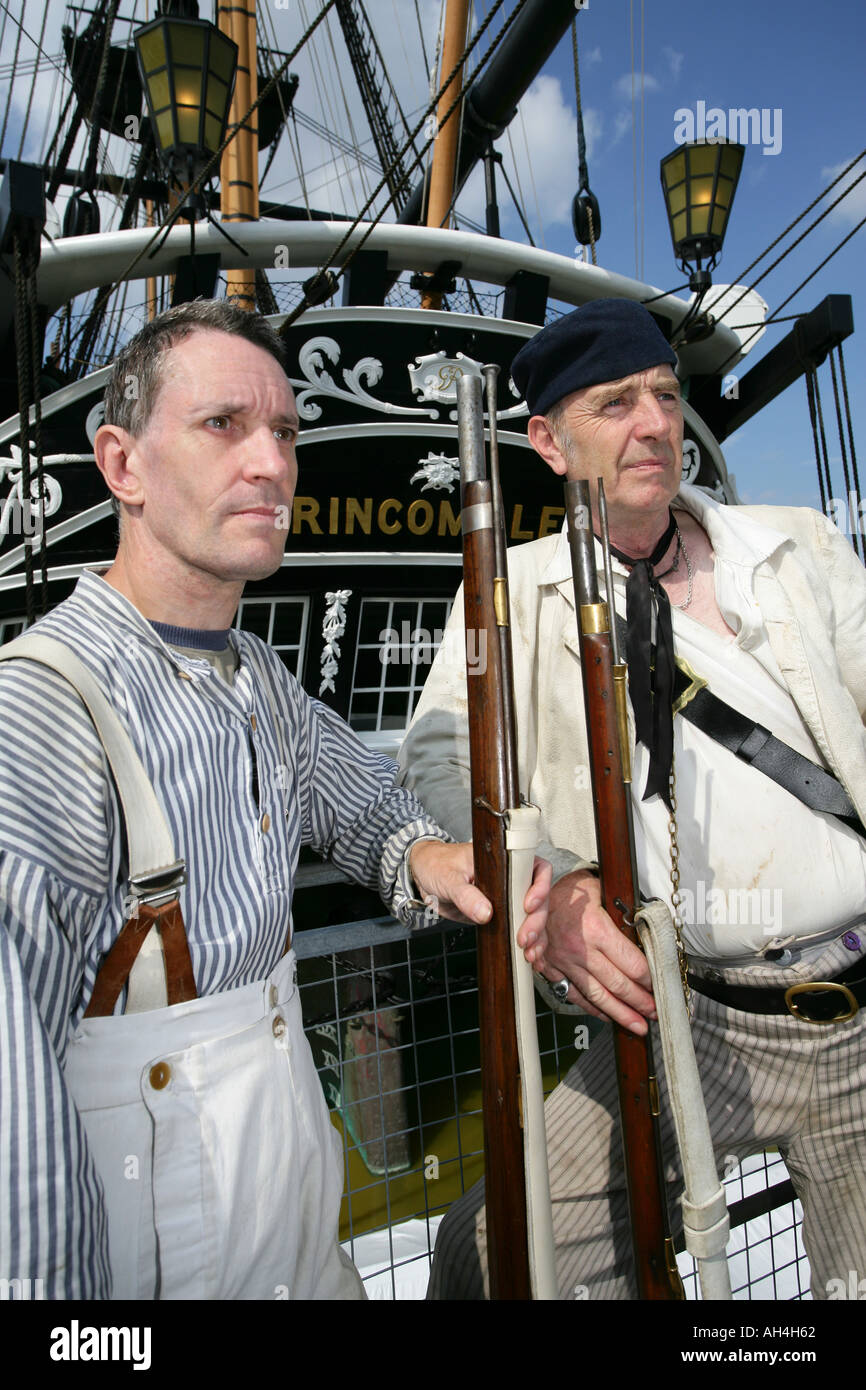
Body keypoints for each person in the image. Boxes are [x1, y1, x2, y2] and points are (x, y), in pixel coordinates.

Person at [0, 299, 551, 1301]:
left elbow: (360, 807)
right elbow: (14, 1132)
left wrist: (430, 859)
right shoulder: (40, 715)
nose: (271, 463)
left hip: (298, 1233)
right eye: (223, 425)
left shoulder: (260, 680)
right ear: (120, 465)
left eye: (286, 431)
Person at [398, 297, 866, 1300]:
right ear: (546, 441)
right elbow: (439, 759)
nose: (654, 422)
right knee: (491, 1250)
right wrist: (553, 882)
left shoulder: (799, 549)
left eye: (663, 394)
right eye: (615, 403)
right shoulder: (508, 594)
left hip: (854, 1001)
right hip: (678, 1010)